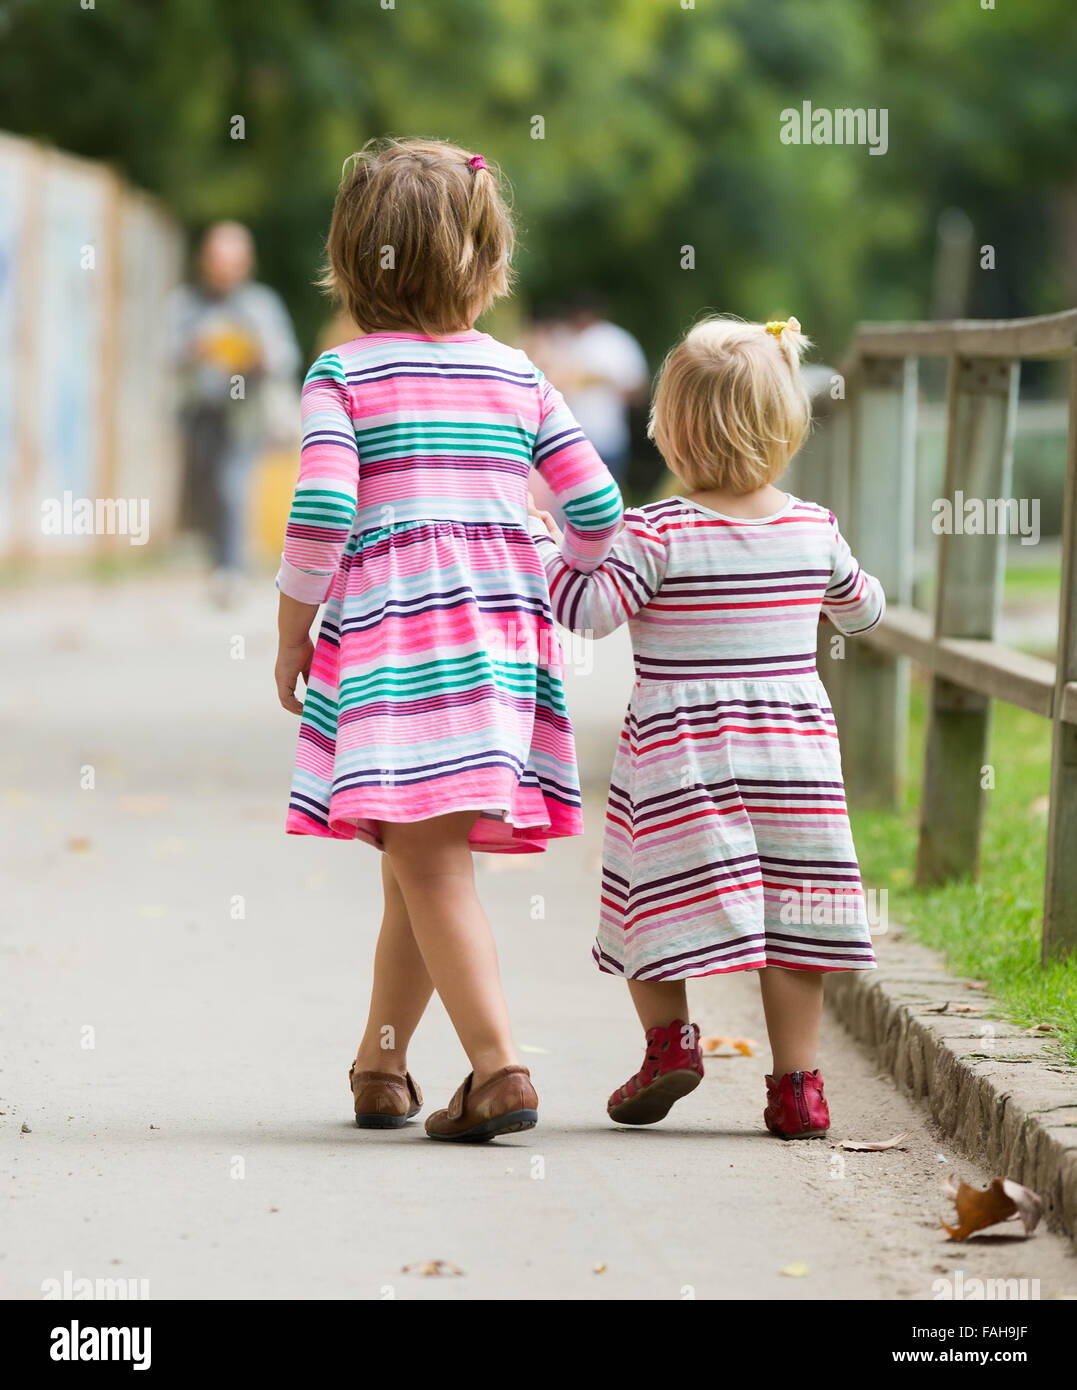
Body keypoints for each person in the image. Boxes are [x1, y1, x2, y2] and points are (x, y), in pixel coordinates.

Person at [273, 139, 622, 1142]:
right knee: (412, 854)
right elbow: (596, 507)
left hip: (401, 651)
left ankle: (498, 1065)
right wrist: (545, 563)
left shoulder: (344, 376)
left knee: (427, 861)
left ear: (351, 263)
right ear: (488, 260)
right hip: (500, 653)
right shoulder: (519, 376)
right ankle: (383, 1063)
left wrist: (291, 631)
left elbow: (324, 512)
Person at [528, 315, 883, 1139]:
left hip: (679, 756)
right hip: (793, 758)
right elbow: (864, 612)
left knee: (654, 903)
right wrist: (836, 591)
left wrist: (545, 547)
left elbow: (586, 613)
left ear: (672, 429)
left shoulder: (655, 532)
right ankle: (798, 1087)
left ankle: (668, 1045)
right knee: (797, 921)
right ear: (786, 426)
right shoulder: (810, 527)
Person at [172, 222, 300, 604]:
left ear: (246, 264)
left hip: (246, 414)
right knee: (208, 489)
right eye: (216, 261)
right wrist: (196, 349)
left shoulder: (261, 306)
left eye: (231, 262)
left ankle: (231, 569)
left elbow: (285, 356)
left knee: (231, 484)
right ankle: (220, 561)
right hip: (202, 412)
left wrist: (258, 357)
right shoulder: (186, 305)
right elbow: (167, 353)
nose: (222, 270)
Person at [559, 293, 648, 482]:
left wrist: (601, 382)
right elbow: (638, 388)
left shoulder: (583, 341)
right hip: (603, 435)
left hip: (588, 435)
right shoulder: (619, 340)